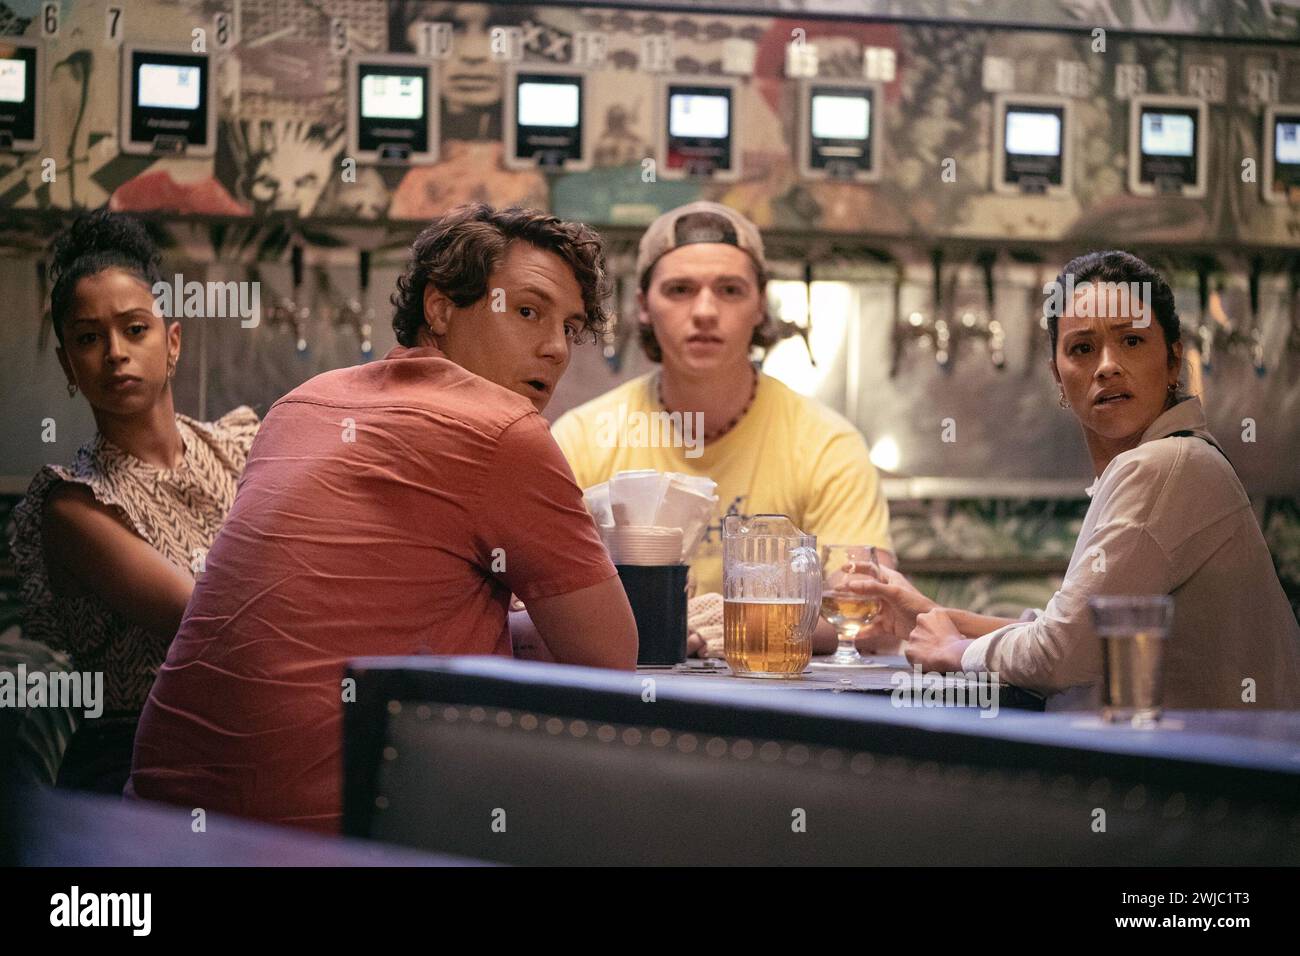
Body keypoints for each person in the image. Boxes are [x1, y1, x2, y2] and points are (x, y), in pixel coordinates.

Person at [128, 204, 637, 832]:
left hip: (148, 820)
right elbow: (611, 661)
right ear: (441, 307)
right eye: (528, 312)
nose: (556, 348)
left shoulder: (300, 404)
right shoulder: (504, 431)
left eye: (572, 326)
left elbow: (357, 610)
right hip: (328, 834)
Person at [852, 251, 1300, 710]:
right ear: (1058, 379)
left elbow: (1058, 656)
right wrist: (933, 616)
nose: (1107, 365)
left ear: (1173, 362)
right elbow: (1069, 630)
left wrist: (954, 649)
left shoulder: (1166, 464)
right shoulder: (1170, 459)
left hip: (1216, 774)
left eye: (1131, 341)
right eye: (1082, 348)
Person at [550, 201, 893, 654]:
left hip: (775, 706)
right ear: (643, 306)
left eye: (730, 290)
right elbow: (535, 594)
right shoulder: (584, 435)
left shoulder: (827, 443)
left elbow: (869, 614)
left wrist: (735, 627)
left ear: (760, 306)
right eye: (680, 290)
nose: (706, 311)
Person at [7, 210, 259, 790]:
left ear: (172, 343)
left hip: (243, 745)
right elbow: (206, 618)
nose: (115, 352)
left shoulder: (240, 449)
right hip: (132, 764)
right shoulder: (73, 506)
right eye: (90, 338)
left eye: (135, 328)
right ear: (69, 364)